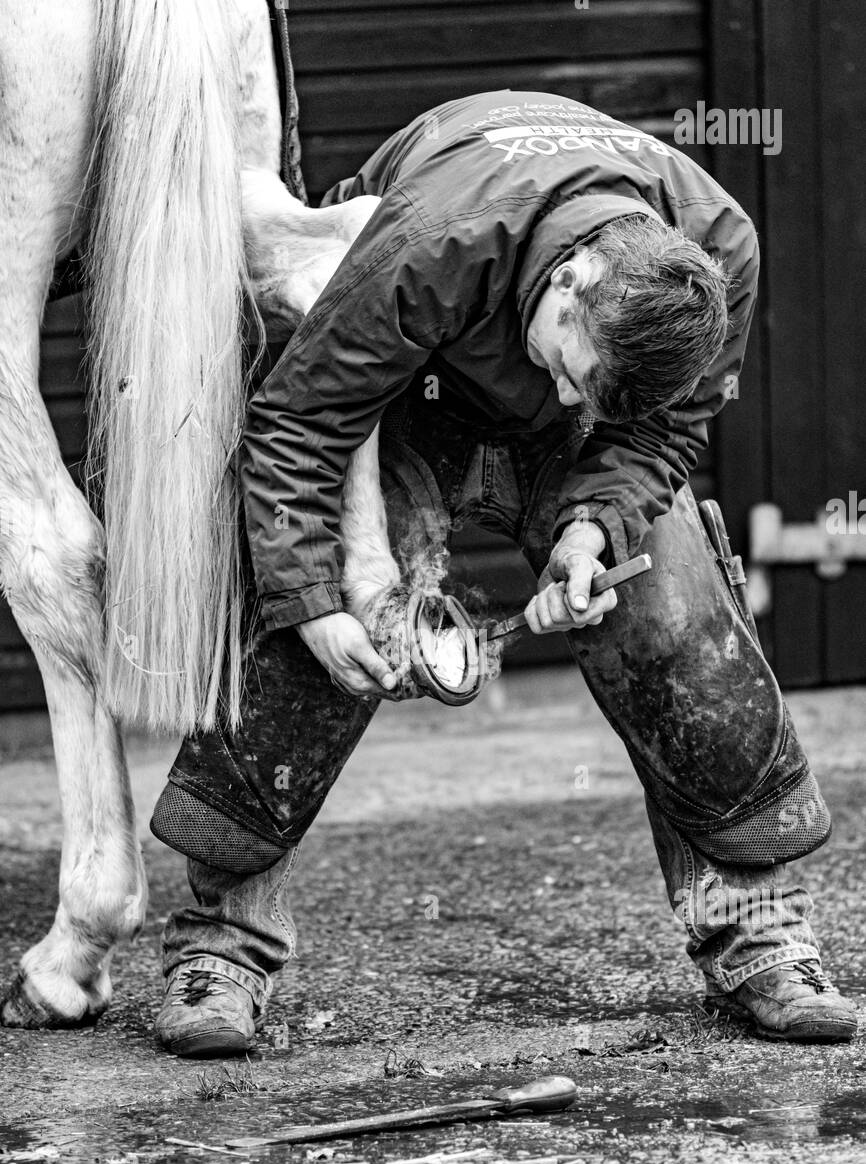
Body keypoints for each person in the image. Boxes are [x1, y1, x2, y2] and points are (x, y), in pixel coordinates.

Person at [150, 91, 856, 1055]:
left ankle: (760, 931)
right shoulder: (433, 239)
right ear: (574, 282)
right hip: (405, 395)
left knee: (676, 623)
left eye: (586, 387)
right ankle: (219, 948)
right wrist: (315, 600)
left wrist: (592, 529)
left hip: (579, 443)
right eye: (574, 368)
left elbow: (661, 427)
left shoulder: (718, 249)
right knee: (318, 622)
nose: (568, 393)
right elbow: (303, 423)